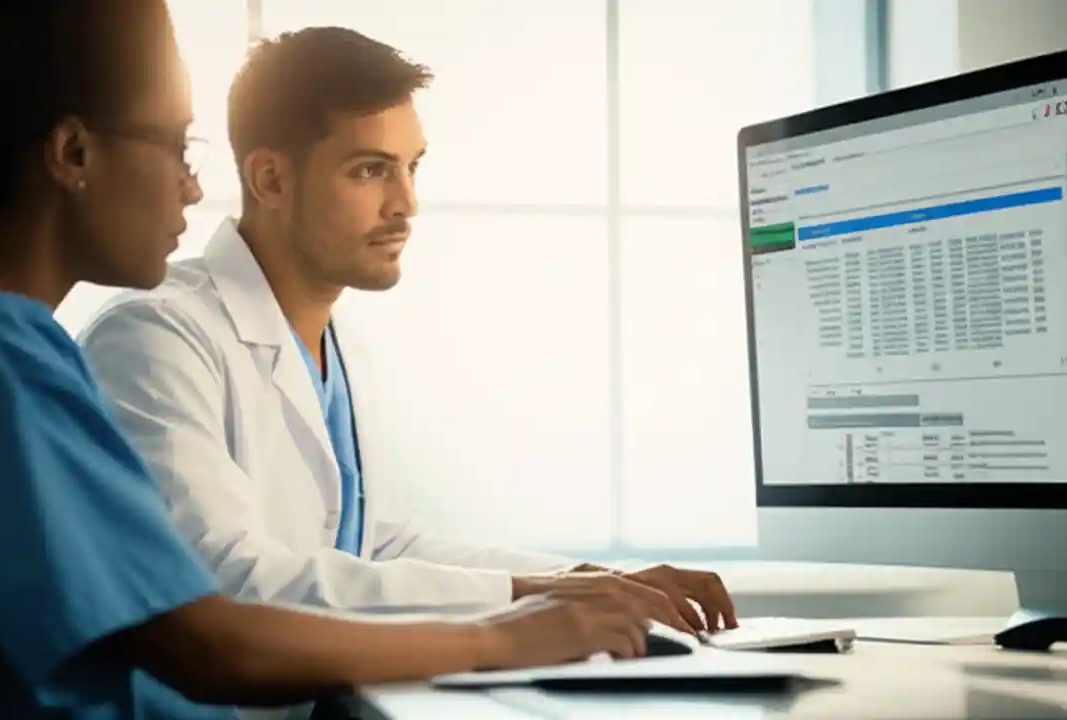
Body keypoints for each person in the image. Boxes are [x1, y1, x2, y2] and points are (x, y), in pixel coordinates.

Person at [0, 3, 655, 717]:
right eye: (175, 146)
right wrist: (504, 636)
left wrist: (579, 588)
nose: (194, 187)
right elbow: (202, 635)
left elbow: (366, 545)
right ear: (72, 153)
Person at [78, 26, 739, 634]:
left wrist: (595, 581)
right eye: (370, 170)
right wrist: (532, 601)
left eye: (412, 166)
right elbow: (229, 582)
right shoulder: (156, 338)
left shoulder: (342, 350)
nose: (406, 205)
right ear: (271, 179)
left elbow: (383, 547)